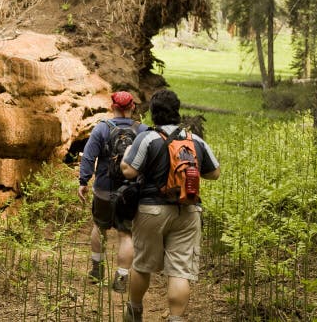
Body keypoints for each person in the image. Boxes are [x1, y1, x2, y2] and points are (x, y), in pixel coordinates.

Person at [120, 89, 221, 322]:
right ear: (177, 112)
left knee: (143, 264)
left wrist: (128, 153)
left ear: (153, 113)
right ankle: (176, 318)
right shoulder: (194, 140)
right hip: (188, 210)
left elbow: (129, 170)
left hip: (150, 210)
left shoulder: (147, 138)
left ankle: (134, 310)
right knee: (180, 271)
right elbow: (214, 173)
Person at [77, 90, 148, 293]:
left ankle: (97, 270)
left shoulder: (101, 129)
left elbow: (89, 157)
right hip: (131, 192)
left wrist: (83, 180)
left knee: (99, 227)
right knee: (126, 234)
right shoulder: (142, 130)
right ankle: (121, 278)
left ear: (112, 107)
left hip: (103, 189)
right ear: (132, 107)